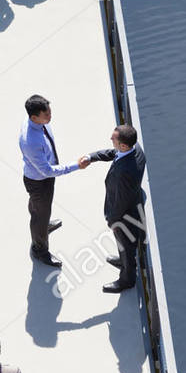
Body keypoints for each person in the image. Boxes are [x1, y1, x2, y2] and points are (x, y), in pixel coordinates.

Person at [78, 124, 147, 293]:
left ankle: (127, 280)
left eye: (114, 139)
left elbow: (121, 202)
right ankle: (123, 261)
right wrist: (92, 157)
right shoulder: (135, 148)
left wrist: (112, 220)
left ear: (123, 145)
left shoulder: (125, 172)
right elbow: (113, 153)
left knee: (126, 246)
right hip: (134, 204)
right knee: (124, 247)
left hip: (125, 217)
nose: (111, 140)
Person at [19, 94, 81, 267]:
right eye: (46, 115)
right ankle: (39, 249)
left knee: (39, 209)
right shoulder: (31, 141)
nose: (50, 117)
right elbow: (46, 171)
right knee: (40, 214)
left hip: (41, 177)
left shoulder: (38, 123)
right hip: (39, 181)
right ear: (34, 117)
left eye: (50, 112)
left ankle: (43, 226)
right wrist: (75, 166)